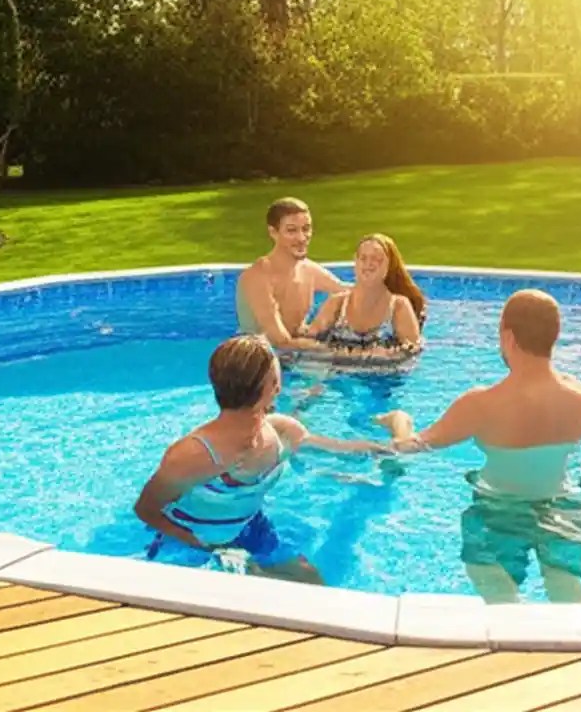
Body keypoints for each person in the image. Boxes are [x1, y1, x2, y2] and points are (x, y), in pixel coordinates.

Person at [375, 289, 581, 604]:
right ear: (554, 336)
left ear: (507, 337)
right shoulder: (579, 396)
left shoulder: (482, 404)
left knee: (497, 591)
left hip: (499, 509)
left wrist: (400, 421)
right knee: (566, 585)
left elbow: (411, 448)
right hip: (565, 506)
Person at [134, 334, 389, 584]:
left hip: (250, 528)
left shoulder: (282, 432)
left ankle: (254, 572)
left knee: (312, 584)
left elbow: (336, 450)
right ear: (275, 388)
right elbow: (146, 510)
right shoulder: (194, 454)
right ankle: (250, 572)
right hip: (190, 539)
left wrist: (386, 450)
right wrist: (201, 545)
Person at [236, 198, 347, 350]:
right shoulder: (257, 277)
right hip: (261, 358)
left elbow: (349, 291)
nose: (302, 238)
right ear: (273, 233)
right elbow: (279, 341)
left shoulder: (309, 270)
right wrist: (333, 350)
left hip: (298, 346)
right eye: (291, 230)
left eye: (306, 229)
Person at [305, 234, 426, 361]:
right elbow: (309, 341)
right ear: (355, 263)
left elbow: (413, 349)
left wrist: (392, 356)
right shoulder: (337, 303)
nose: (369, 264)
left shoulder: (399, 306)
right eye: (363, 258)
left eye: (376, 259)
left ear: (389, 266)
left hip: (384, 377)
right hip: (339, 375)